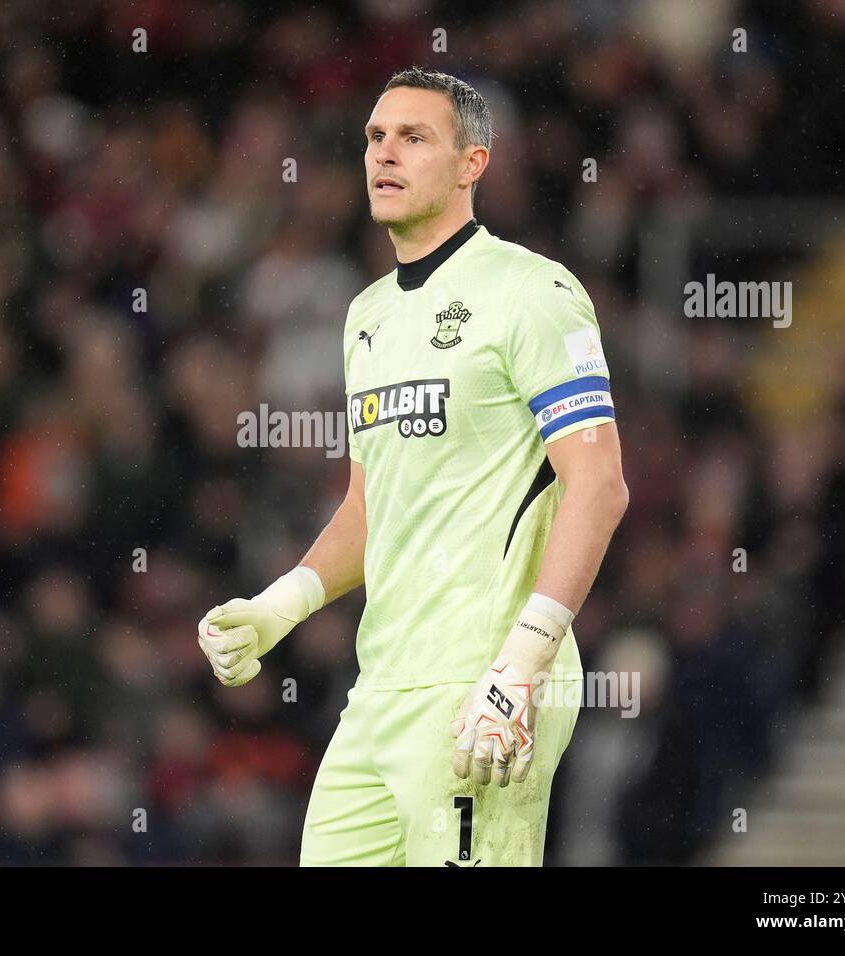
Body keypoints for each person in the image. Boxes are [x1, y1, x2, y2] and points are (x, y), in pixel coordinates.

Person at [197, 66, 628, 866]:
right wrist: (279, 607)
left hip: (484, 681)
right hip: (381, 689)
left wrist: (521, 665)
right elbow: (370, 507)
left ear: (473, 163)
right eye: (374, 137)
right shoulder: (367, 315)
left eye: (414, 136)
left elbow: (598, 485)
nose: (384, 153)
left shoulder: (533, 291)